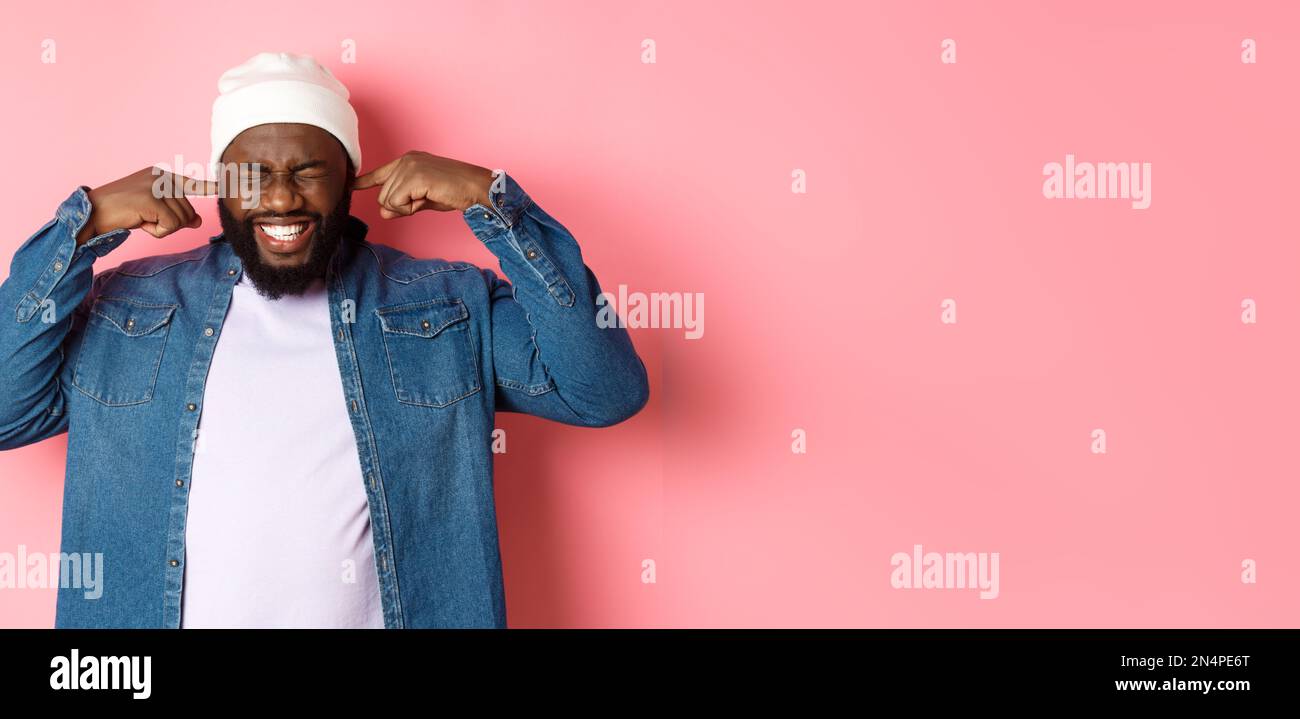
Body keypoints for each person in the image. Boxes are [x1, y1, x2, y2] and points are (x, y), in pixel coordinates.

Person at [0, 51, 649, 628]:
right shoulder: (126, 305)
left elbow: (603, 391)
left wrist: (495, 203)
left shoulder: (447, 303)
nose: (281, 198)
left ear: (351, 178)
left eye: (309, 170)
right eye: (252, 173)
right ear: (220, 181)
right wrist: (80, 229)